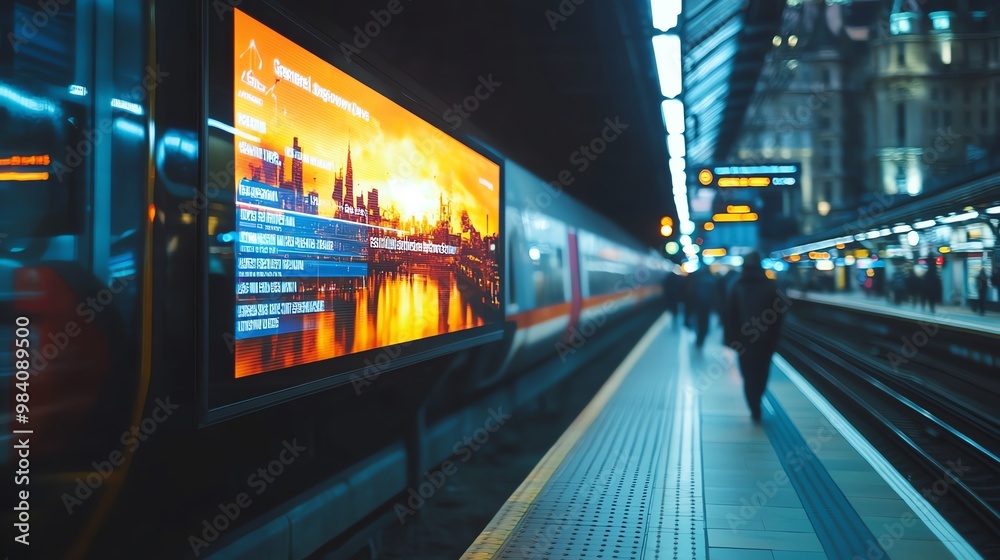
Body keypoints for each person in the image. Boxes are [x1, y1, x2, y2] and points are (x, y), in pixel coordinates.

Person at [723, 252, 788, 422]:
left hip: (744, 342)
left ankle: (753, 406)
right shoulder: (771, 286)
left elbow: (729, 315)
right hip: (766, 342)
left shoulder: (736, 286)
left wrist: (730, 340)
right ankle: (757, 399)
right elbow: (779, 316)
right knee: (762, 373)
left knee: (748, 375)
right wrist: (775, 339)